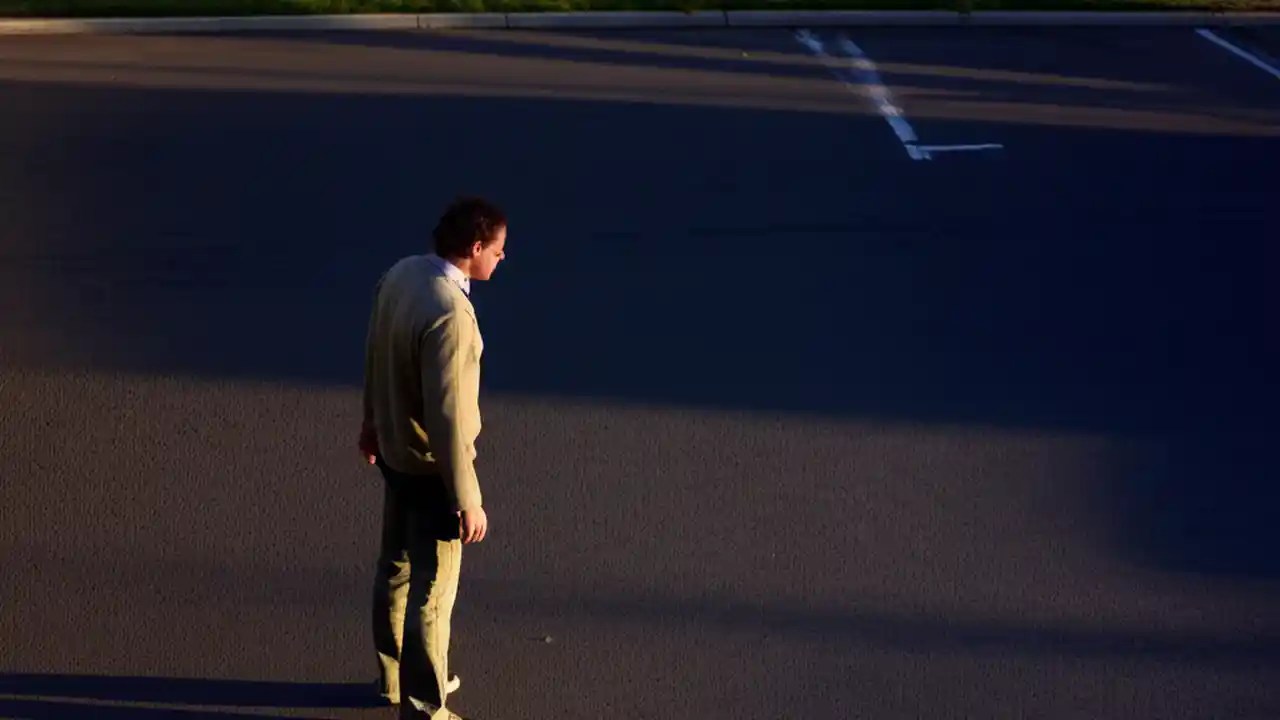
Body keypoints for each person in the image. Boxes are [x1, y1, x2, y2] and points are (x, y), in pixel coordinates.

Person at [359, 196, 507, 720]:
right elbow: (448, 421)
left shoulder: (402, 276)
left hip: (396, 454)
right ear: (474, 249)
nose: (502, 259)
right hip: (431, 471)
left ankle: (392, 678)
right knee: (433, 594)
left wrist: (371, 423)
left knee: (393, 569)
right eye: (498, 250)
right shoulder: (450, 315)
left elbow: (376, 351)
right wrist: (468, 499)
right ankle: (425, 708)